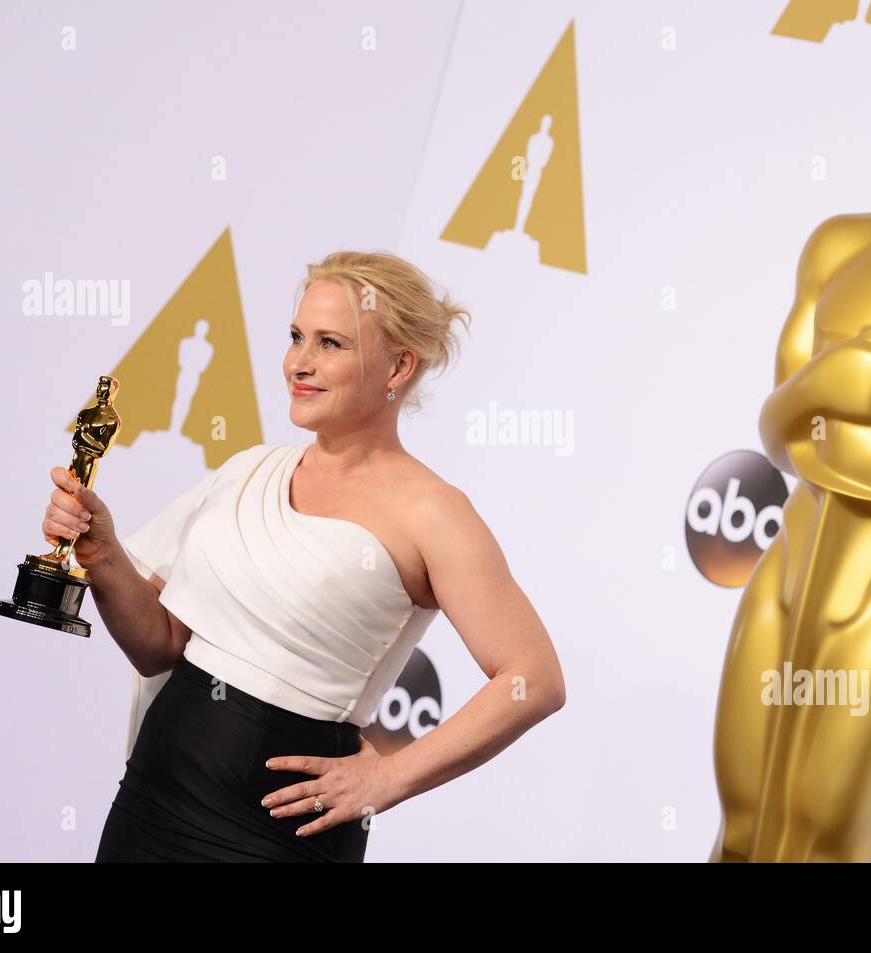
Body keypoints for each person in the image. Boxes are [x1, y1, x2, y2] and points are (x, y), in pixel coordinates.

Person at [43, 251, 566, 862]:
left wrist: (389, 778)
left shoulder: (434, 512)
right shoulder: (249, 470)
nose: (300, 362)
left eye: (331, 344)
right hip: (154, 797)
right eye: (296, 337)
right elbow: (158, 643)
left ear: (399, 365)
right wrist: (103, 558)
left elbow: (534, 680)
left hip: (276, 833)